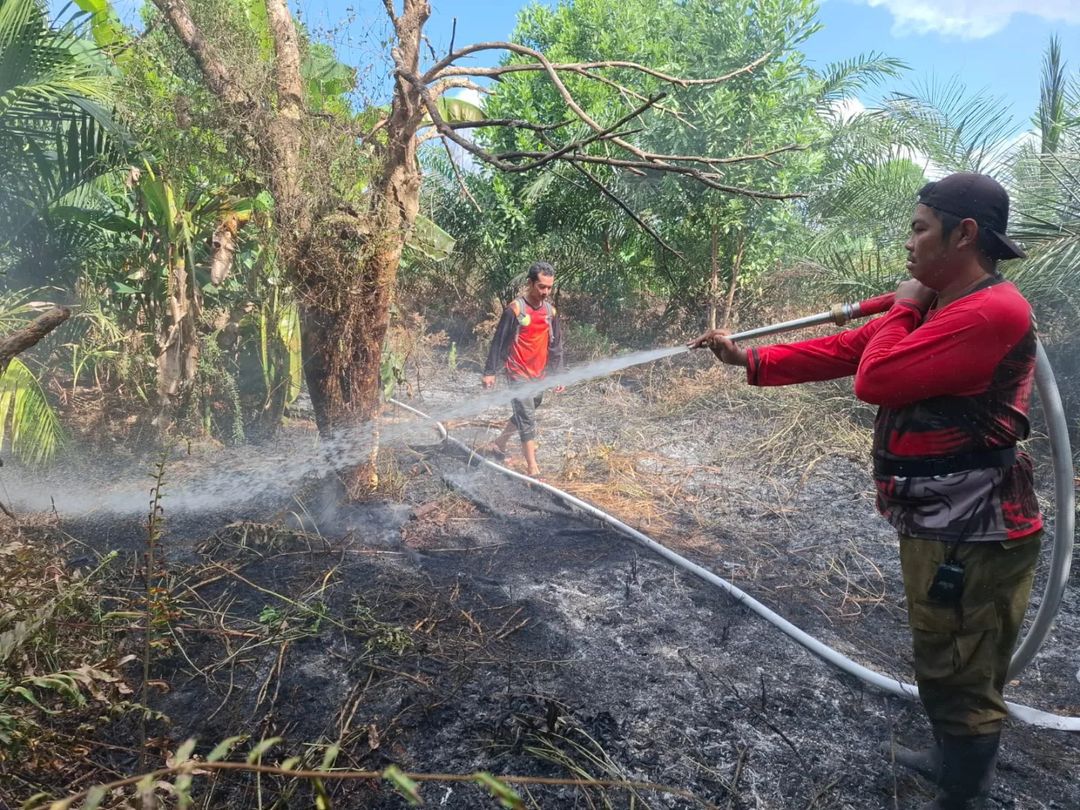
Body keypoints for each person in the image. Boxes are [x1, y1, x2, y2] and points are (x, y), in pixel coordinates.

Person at [690, 172, 1041, 810]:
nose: (907, 244)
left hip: (976, 529)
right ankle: (949, 762)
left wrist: (904, 305)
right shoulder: (945, 303)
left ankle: (965, 794)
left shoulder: (991, 311)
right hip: (944, 521)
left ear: (964, 234)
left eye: (919, 229)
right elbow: (858, 347)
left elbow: (874, 377)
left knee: (959, 661)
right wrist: (753, 361)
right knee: (942, 647)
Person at [481, 261, 565, 477]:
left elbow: (555, 345)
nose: (545, 292)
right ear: (530, 283)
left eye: (549, 287)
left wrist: (558, 373)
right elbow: (498, 342)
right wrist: (490, 371)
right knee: (527, 416)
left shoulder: (550, 312)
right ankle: (533, 469)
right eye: (541, 287)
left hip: (539, 374)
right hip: (517, 372)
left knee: (533, 404)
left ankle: (499, 442)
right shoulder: (515, 309)